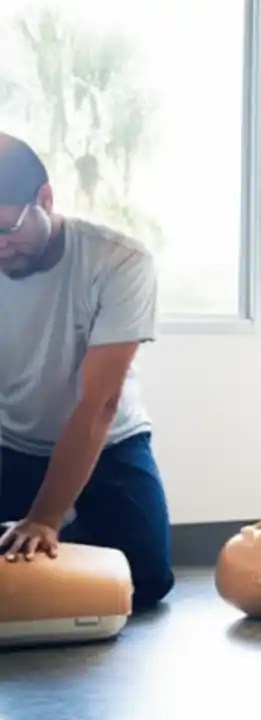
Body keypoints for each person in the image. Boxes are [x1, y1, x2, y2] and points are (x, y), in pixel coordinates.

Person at [0, 132, 175, 609]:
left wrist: (46, 516)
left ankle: (74, 520)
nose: (0, 248)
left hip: (110, 442)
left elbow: (99, 403)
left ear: (46, 199)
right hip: (12, 442)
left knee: (146, 581)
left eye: (7, 230)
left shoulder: (119, 261)